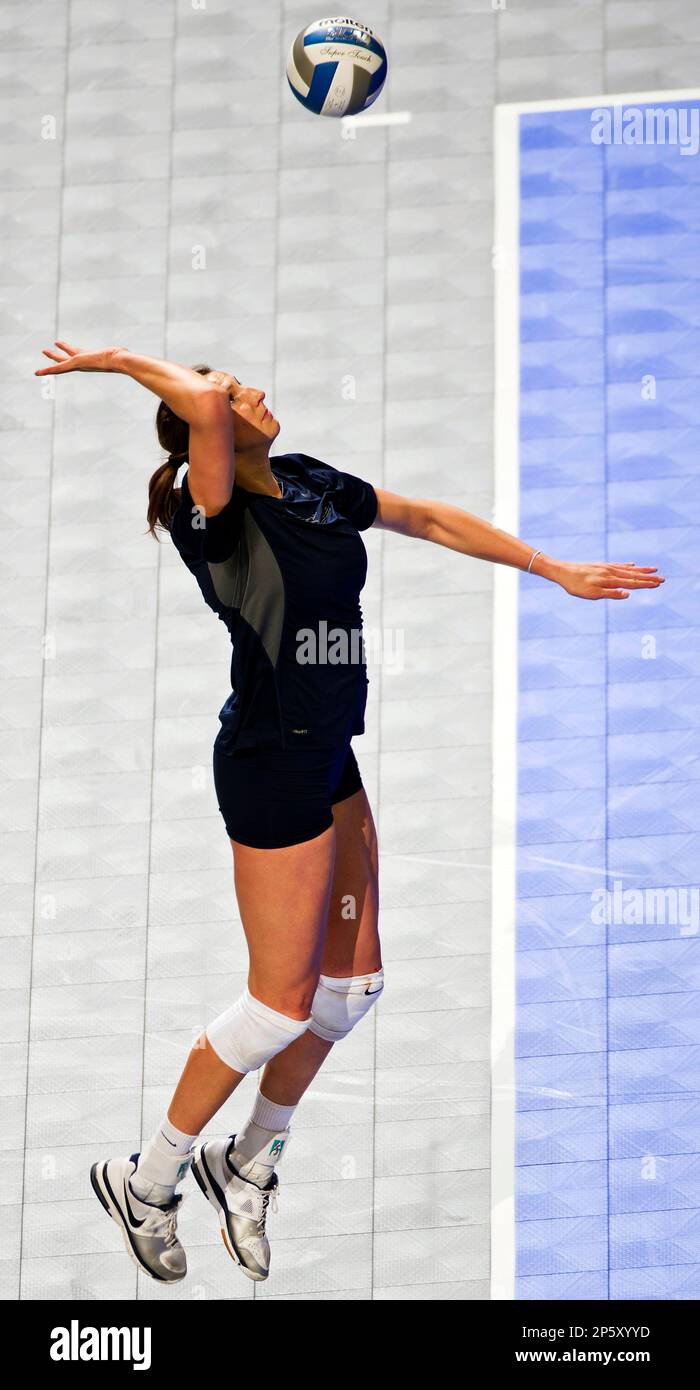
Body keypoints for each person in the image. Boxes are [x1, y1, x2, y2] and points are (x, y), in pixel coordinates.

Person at [35, 341, 664, 1286]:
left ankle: (246, 1163)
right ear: (208, 426)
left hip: (328, 754)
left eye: (244, 384)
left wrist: (552, 567)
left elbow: (424, 517)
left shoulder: (306, 481)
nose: (254, 392)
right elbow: (203, 407)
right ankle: (148, 1179)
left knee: (349, 992)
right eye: (237, 392)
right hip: (270, 769)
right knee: (276, 1006)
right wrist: (124, 360)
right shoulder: (222, 518)